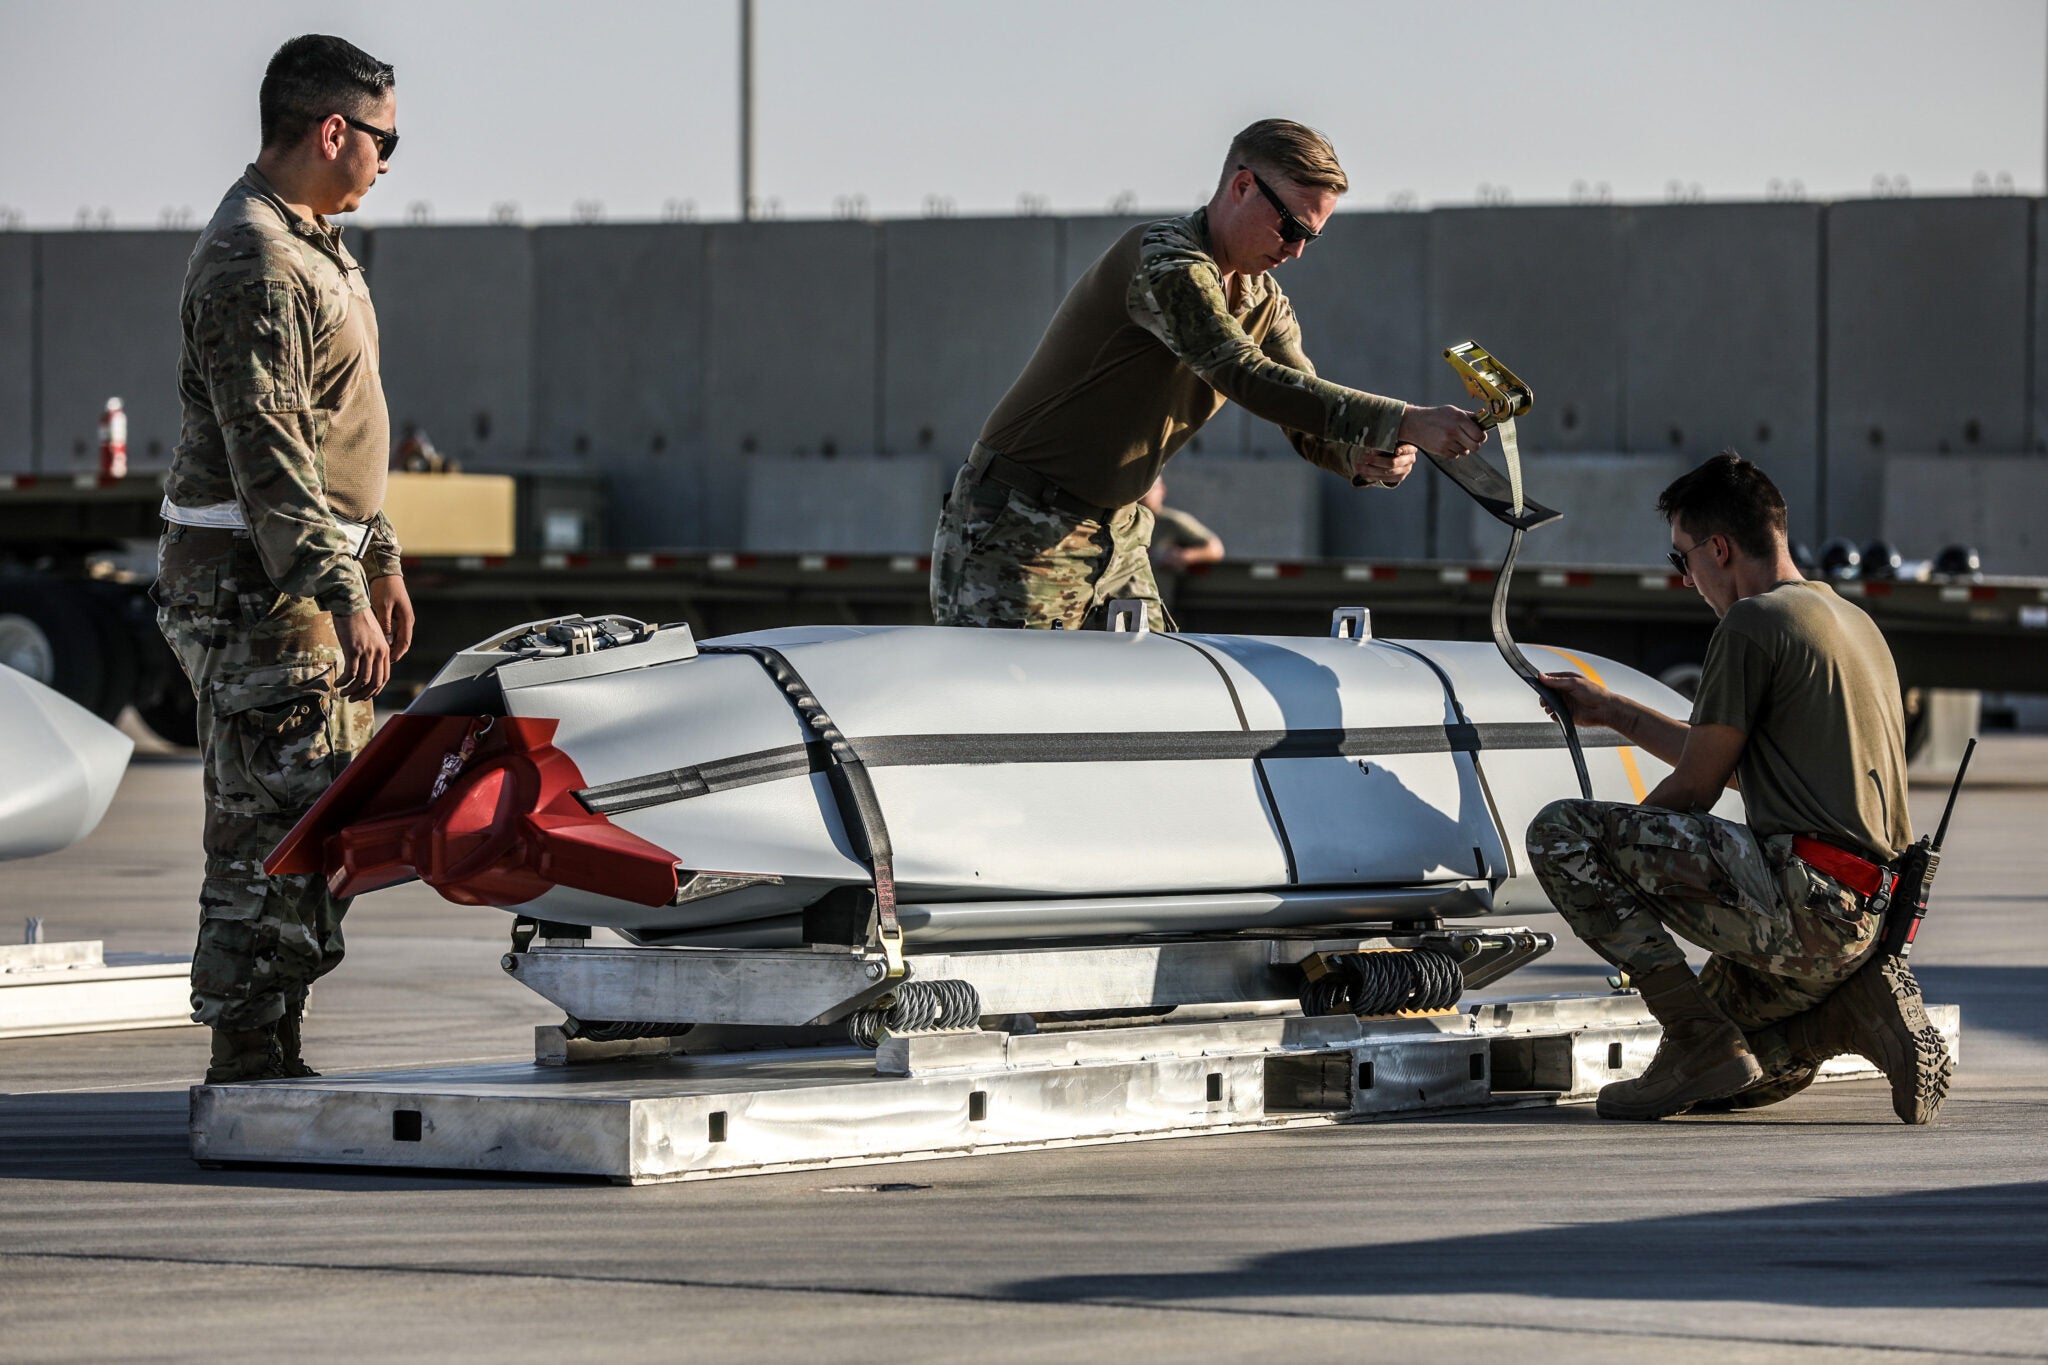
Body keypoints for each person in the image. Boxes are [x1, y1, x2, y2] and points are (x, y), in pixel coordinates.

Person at [930, 118, 1485, 632]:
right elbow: (1243, 373)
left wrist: (1362, 454)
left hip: (1117, 531)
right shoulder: (1166, 260)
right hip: (1022, 525)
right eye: (1290, 225)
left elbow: (1304, 416)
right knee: (1015, 723)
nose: (1294, 250)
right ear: (1242, 186)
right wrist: (1403, 420)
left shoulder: (1262, 299)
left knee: (1152, 717)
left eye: (1309, 237)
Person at [1526, 453, 1949, 1123]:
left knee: (1561, 833)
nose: (1687, 579)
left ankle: (1694, 1036)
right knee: (1733, 1078)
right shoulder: (1848, 623)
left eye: (1683, 559)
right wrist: (1613, 711)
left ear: (1719, 548)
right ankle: (1844, 1019)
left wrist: (1617, 859)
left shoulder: (1751, 624)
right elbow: (1718, 755)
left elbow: (1696, 785)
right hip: (1863, 923)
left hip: (1802, 903)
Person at [155, 34, 413, 1082]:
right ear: (332, 131)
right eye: (386, 140)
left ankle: (269, 1046)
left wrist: (379, 554)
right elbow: (270, 449)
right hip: (257, 590)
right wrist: (337, 584)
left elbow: (342, 424)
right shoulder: (254, 259)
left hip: (297, 582)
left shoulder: (311, 244)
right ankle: (250, 1057)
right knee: (270, 824)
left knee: (317, 814)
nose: (391, 163)